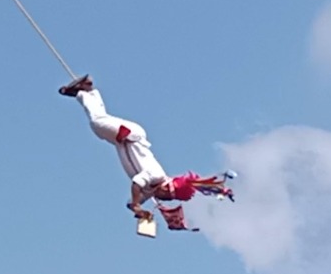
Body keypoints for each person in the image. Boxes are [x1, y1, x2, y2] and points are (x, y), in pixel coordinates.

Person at [58, 73, 233, 229]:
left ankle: (87, 90)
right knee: (98, 123)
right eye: (166, 198)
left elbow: (132, 201)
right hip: (131, 135)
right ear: (166, 189)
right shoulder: (157, 175)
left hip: (122, 140)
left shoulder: (150, 190)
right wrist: (137, 206)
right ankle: (83, 90)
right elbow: (136, 183)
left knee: (100, 123)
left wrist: (144, 213)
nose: (163, 199)